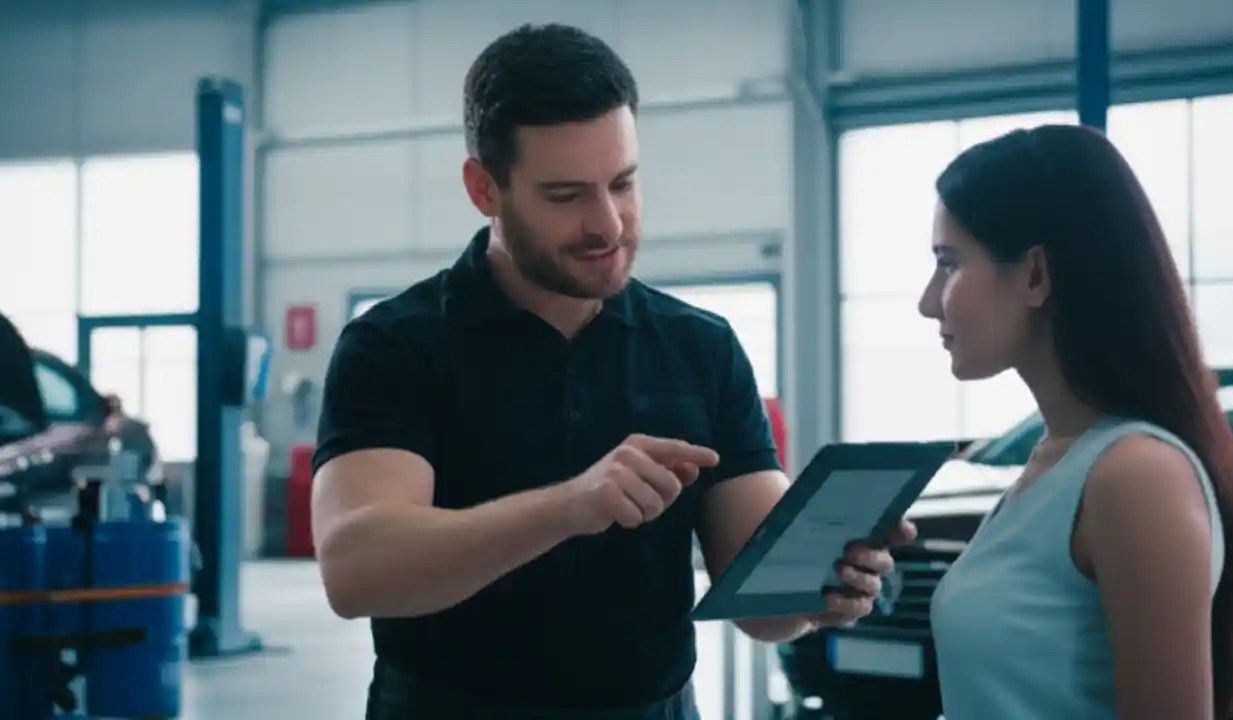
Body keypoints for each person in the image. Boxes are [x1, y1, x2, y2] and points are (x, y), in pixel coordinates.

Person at [310, 23, 911, 720]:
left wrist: (819, 587)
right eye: (566, 196)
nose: (608, 224)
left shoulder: (701, 347)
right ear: (484, 188)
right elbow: (356, 571)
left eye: (623, 183)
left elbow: (764, 608)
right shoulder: (396, 345)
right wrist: (571, 507)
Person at [919, 124, 1233, 719]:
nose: (928, 301)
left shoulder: (1136, 476)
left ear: (1035, 276)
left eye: (949, 265)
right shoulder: (1052, 464)